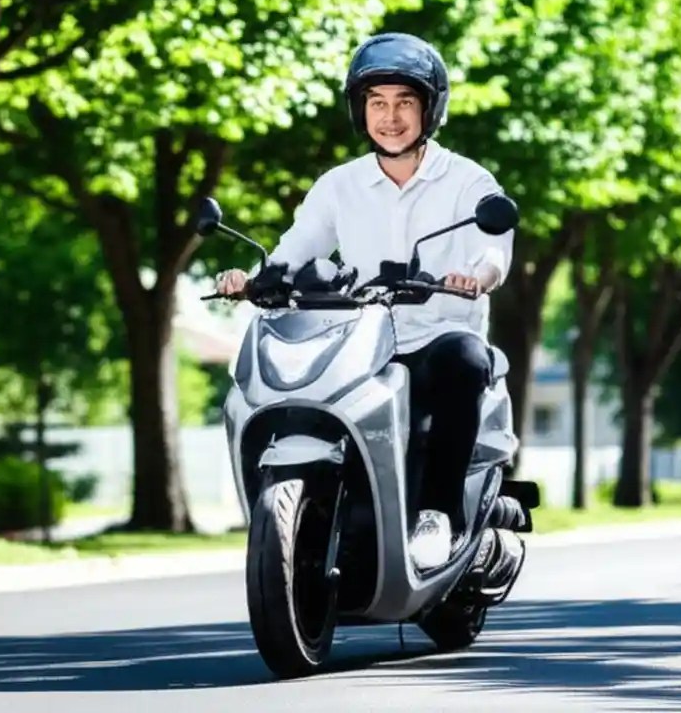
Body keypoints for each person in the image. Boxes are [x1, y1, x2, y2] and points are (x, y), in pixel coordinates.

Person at [215, 32, 516, 572]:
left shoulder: (469, 181)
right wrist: (253, 279)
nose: (391, 117)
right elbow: (293, 252)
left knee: (465, 360)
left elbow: (493, 250)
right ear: (361, 110)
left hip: (434, 340)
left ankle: (437, 515)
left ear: (430, 108)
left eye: (404, 102)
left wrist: (477, 276)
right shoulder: (339, 185)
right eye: (377, 103)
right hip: (358, 344)